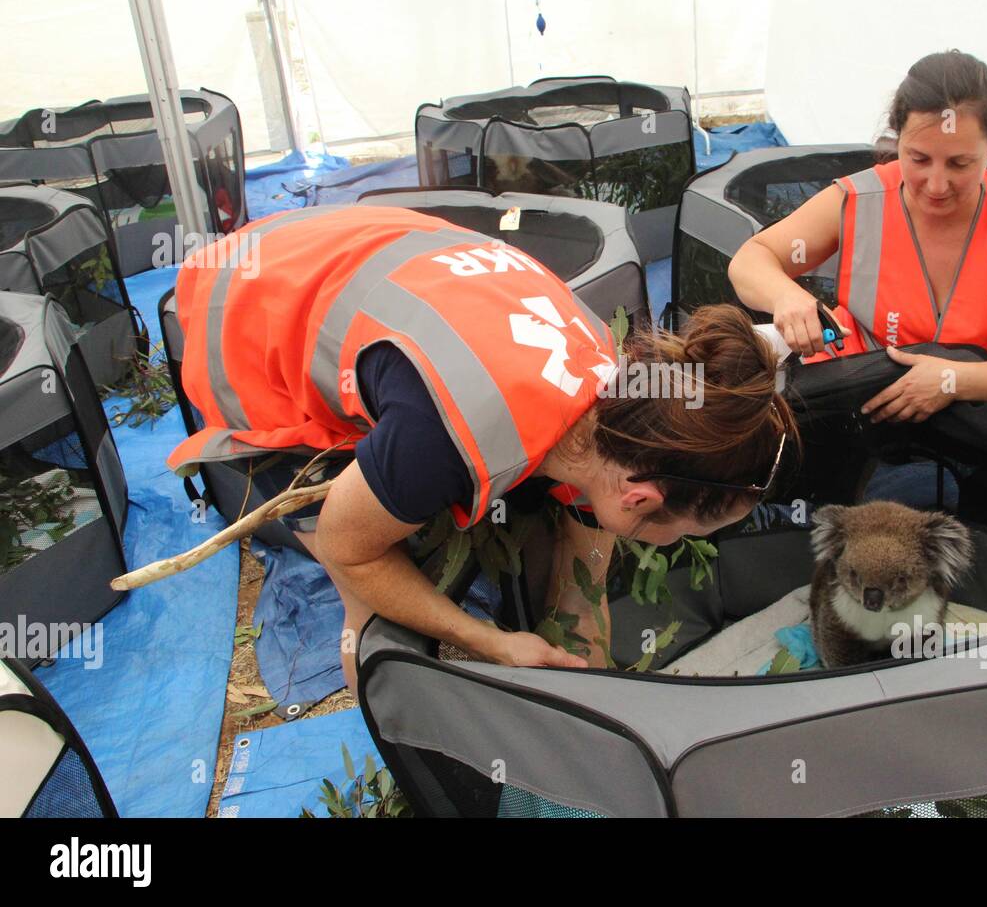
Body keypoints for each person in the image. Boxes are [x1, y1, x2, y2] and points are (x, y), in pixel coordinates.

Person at [167, 204, 795, 691]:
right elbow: (346, 548)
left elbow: (590, 534)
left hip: (354, 248)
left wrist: (588, 630)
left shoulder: (625, 387)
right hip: (244, 297)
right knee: (365, 599)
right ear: (639, 498)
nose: (683, 546)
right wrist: (490, 641)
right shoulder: (445, 437)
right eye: (685, 534)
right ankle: (382, 712)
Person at [728, 50, 987, 424]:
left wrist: (953, 380)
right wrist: (786, 295)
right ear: (897, 139)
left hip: (982, 401)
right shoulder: (858, 201)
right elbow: (751, 259)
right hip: (857, 389)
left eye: (960, 163)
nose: (937, 185)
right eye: (918, 159)